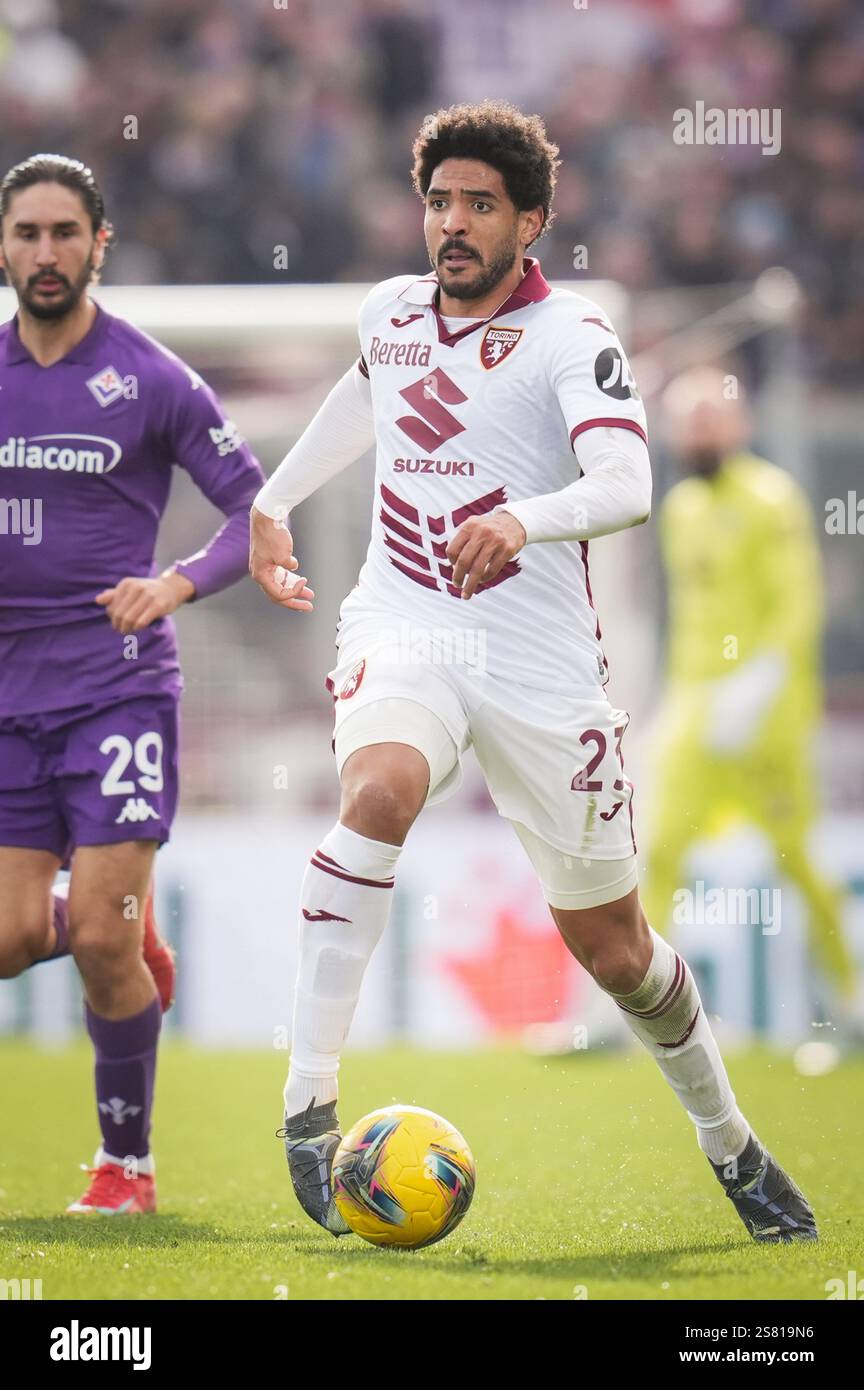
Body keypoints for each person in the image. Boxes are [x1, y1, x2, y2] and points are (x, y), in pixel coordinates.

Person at [249, 101, 816, 1244]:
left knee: (616, 951)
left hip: (543, 668)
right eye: (438, 202)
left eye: (479, 207)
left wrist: (524, 517)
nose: (451, 225)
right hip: (405, 622)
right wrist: (273, 498)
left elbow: (626, 483)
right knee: (378, 792)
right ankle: (309, 1096)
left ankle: (731, 1143)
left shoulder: (576, 335)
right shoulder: (392, 312)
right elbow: (366, 394)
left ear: (531, 221)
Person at [0, 154, 265, 1214]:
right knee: (20, 935)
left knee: (101, 935)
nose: (47, 252)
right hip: (8, 699)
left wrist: (177, 582)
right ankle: (122, 925)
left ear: (98, 243)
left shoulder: (151, 377)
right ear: (5, 246)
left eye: (67, 232)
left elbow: (257, 514)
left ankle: (127, 1170)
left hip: (116, 690)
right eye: (28, 233)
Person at [641, 366, 856, 1011]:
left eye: (710, 417)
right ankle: (631, 1007)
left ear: (739, 424)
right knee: (656, 851)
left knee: (796, 857)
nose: (698, 431)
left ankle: (851, 995)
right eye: (688, 420)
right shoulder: (679, 508)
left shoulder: (770, 498)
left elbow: (797, 602)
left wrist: (757, 683)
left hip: (768, 717)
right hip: (693, 710)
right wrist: (673, 702)